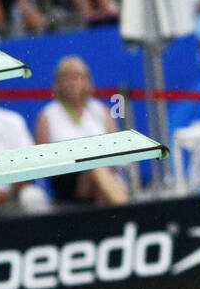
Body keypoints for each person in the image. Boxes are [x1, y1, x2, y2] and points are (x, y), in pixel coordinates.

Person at [34, 57, 129, 206]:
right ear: (58, 83)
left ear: (86, 81)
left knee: (99, 178)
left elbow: (118, 151)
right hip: (67, 180)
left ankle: (114, 218)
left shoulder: (100, 110)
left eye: (77, 77)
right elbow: (39, 161)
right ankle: (127, 212)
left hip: (103, 174)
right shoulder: (48, 115)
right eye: (67, 77)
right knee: (95, 169)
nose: (72, 82)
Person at [0, 84, 50, 219]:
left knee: (33, 197)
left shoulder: (12, 121)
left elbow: (28, 165)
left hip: (13, 195)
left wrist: (9, 192)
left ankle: (45, 238)